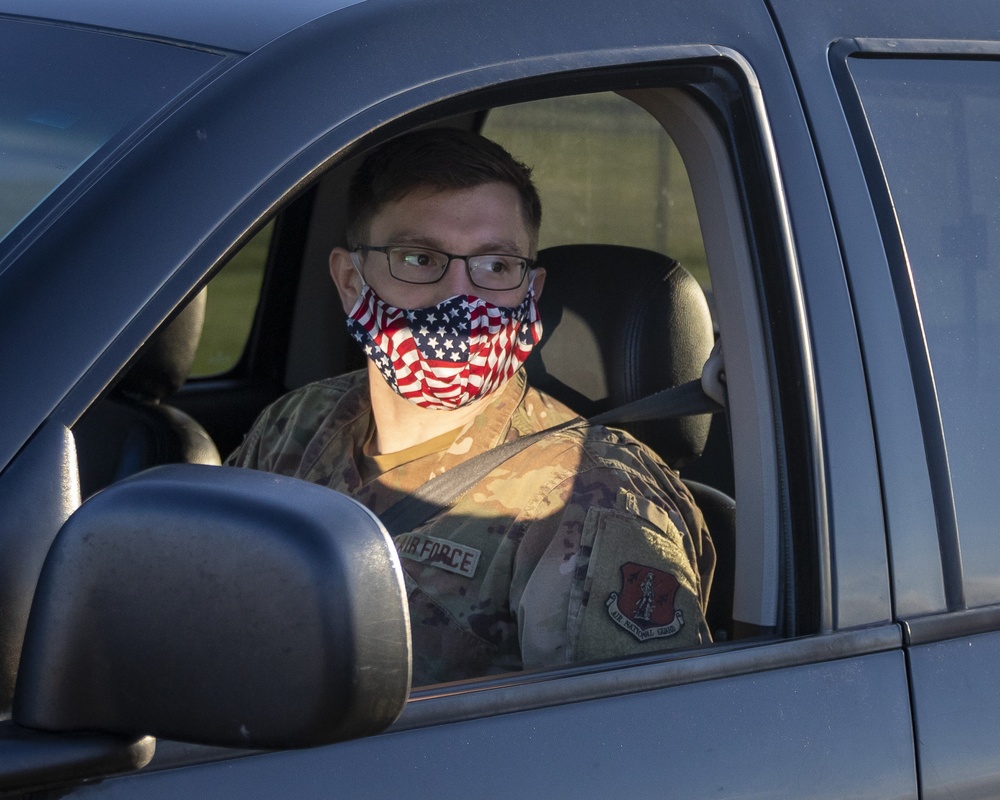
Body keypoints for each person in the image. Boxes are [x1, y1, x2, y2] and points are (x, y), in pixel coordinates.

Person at [226, 128, 715, 685]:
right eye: (418, 257)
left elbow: (619, 751)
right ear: (348, 280)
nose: (460, 297)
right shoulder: (297, 424)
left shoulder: (584, 498)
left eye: (496, 266)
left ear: (530, 291)